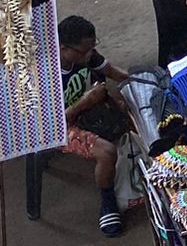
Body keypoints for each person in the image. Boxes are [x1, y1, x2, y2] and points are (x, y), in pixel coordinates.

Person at [57, 15, 132, 238]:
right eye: (84, 51)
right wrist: (85, 102)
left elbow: (111, 71)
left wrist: (140, 80)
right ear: (63, 48)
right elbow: (51, 124)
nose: (90, 55)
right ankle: (108, 201)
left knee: (136, 111)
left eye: (92, 48)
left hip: (86, 107)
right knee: (107, 152)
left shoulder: (84, 55)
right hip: (60, 124)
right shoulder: (46, 76)